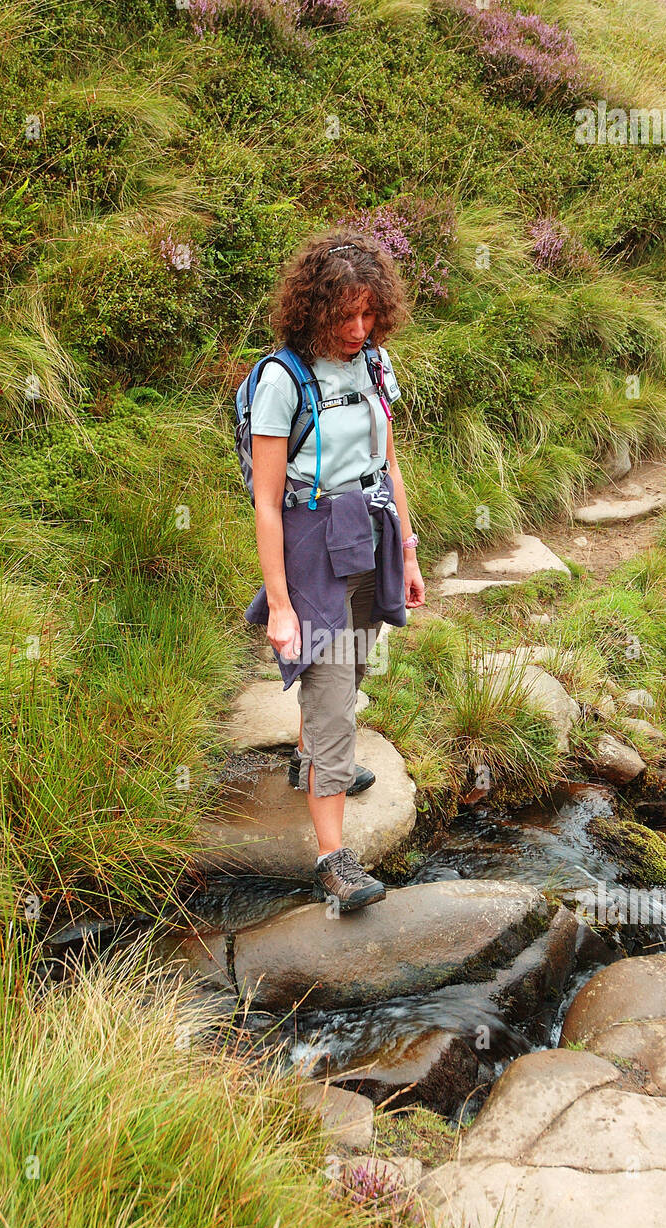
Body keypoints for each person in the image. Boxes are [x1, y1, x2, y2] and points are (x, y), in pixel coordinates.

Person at [244, 228, 425, 912]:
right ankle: (333, 861)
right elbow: (265, 502)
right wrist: (283, 605)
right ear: (312, 310)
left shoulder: (376, 366)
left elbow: (390, 464)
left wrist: (406, 552)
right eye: (344, 316)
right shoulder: (281, 380)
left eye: (368, 313)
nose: (359, 328)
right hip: (311, 543)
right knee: (330, 695)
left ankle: (308, 759)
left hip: (369, 534)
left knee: (350, 665)